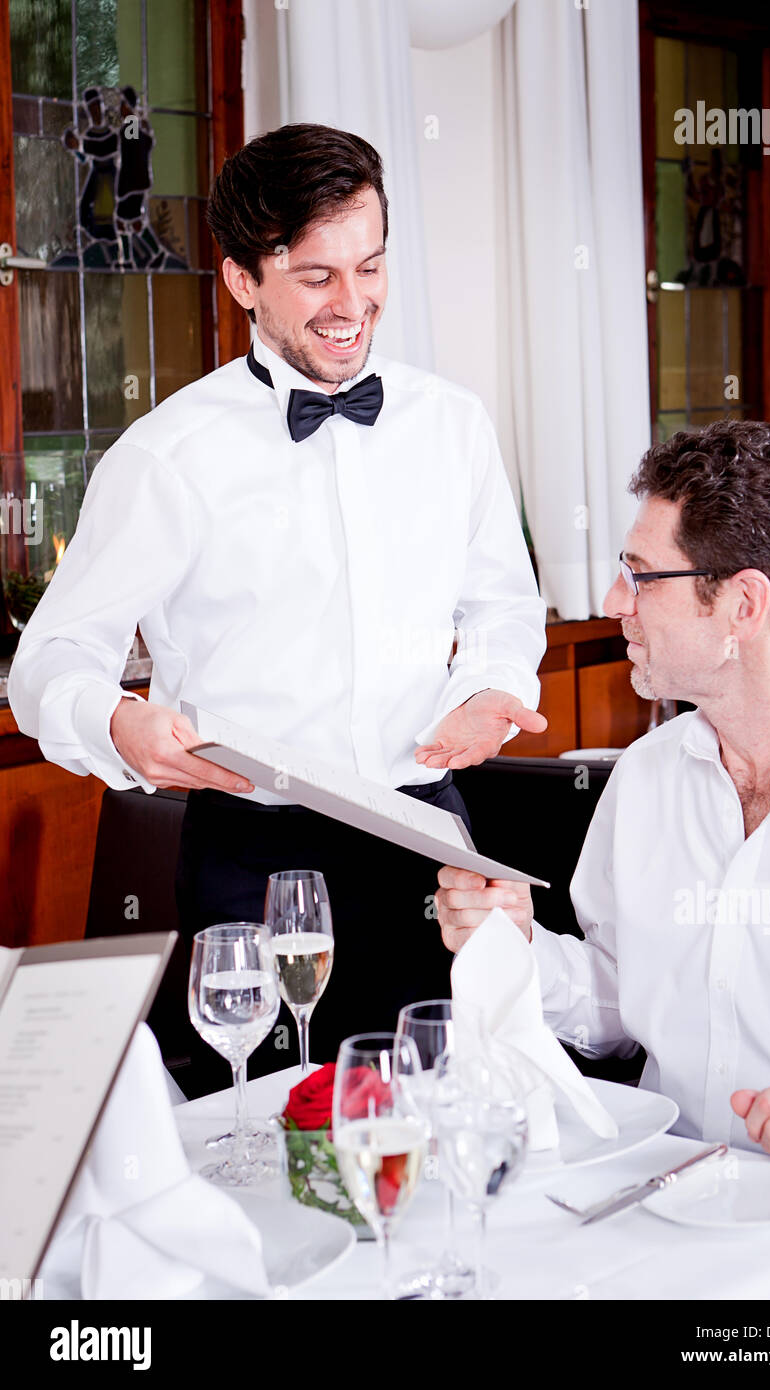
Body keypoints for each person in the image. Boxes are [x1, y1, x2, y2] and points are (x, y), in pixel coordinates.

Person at [9, 123, 547, 1092]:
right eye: (315, 276)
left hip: (428, 845)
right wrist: (117, 722)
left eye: (370, 266)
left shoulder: (452, 425)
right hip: (254, 862)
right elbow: (48, 663)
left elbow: (506, 605)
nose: (353, 305)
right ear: (241, 280)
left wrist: (491, 684)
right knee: (263, 1142)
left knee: (449, 1119)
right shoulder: (165, 456)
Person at [436, 419, 770, 1177]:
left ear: (744, 606)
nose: (612, 601)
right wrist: (517, 948)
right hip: (658, 1202)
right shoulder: (646, 776)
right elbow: (621, 1001)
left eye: (640, 574)